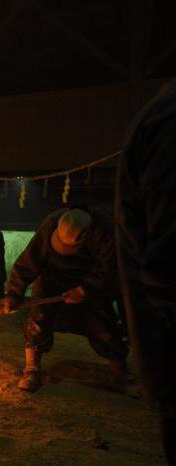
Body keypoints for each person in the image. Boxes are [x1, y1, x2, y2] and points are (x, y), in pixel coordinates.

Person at [115, 78, 176, 464]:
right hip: (171, 352)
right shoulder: (168, 121)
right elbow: (167, 268)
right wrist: (12, 293)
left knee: (102, 326)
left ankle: (116, 369)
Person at [3, 208, 129, 392]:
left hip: (90, 277)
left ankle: (120, 371)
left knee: (103, 322)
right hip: (52, 274)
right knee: (38, 318)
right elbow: (30, 260)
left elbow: (111, 269)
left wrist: (86, 288)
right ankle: (32, 368)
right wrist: (14, 293)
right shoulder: (51, 224)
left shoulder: (105, 231)